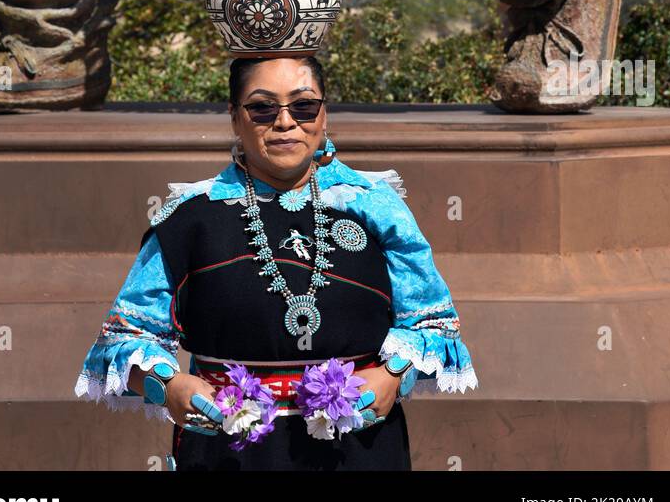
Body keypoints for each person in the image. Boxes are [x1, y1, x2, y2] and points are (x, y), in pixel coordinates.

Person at [75, 52, 478, 472]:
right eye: (263, 108)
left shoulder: (376, 208)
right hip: (227, 453)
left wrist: (393, 376)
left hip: (361, 449)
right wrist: (170, 386)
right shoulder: (190, 220)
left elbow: (431, 323)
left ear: (324, 115)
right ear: (235, 117)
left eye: (304, 106)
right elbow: (124, 339)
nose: (285, 122)